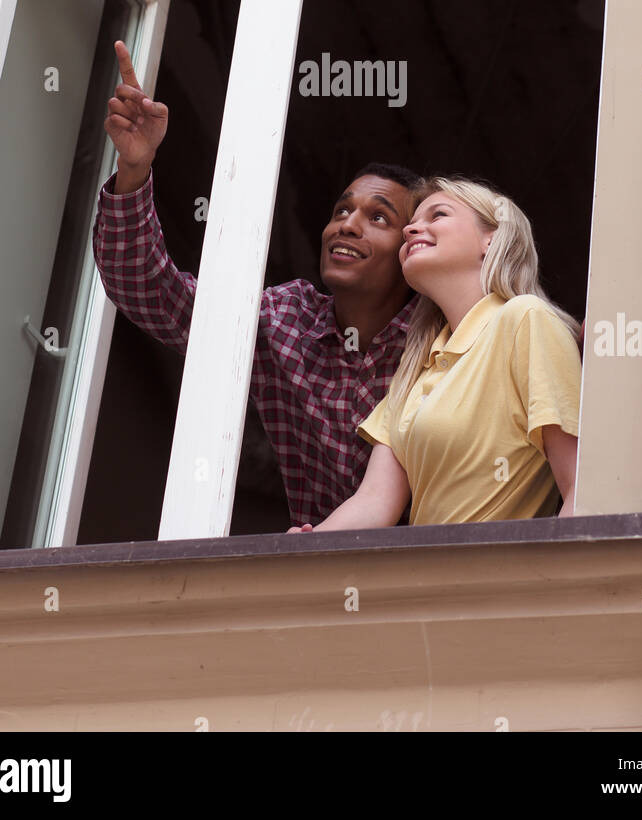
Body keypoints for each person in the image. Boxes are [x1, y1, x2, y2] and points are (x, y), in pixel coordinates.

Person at [92, 40, 424, 526]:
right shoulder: (287, 319)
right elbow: (151, 293)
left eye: (378, 217)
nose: (347, 225)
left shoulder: (443, 338)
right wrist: (135, 167)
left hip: (429, 580)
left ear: (411, 248)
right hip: (313, 572)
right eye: (342, 210)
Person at [287, 176, 582, 533]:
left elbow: (581, 489)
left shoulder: (524, 320)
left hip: (496, 582)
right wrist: (309, 543)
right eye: (411, 223)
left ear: (491, 238)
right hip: (420, 584)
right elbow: (374, 502)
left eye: (437, 215)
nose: (412, 229)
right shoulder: (415, 366)